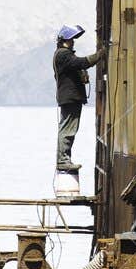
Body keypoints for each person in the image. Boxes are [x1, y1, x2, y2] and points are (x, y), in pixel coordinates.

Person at [53, 25, 102, 173]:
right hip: (70, 97)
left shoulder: (63, 54)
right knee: (68, 129)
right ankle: (63, 160)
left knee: (68, 128)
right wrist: (100, 55)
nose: (73, 42)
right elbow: (82, 62)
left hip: (70, 97)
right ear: (64, 40)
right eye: (71, 39)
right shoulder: (63, 54)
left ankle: (64, 159)